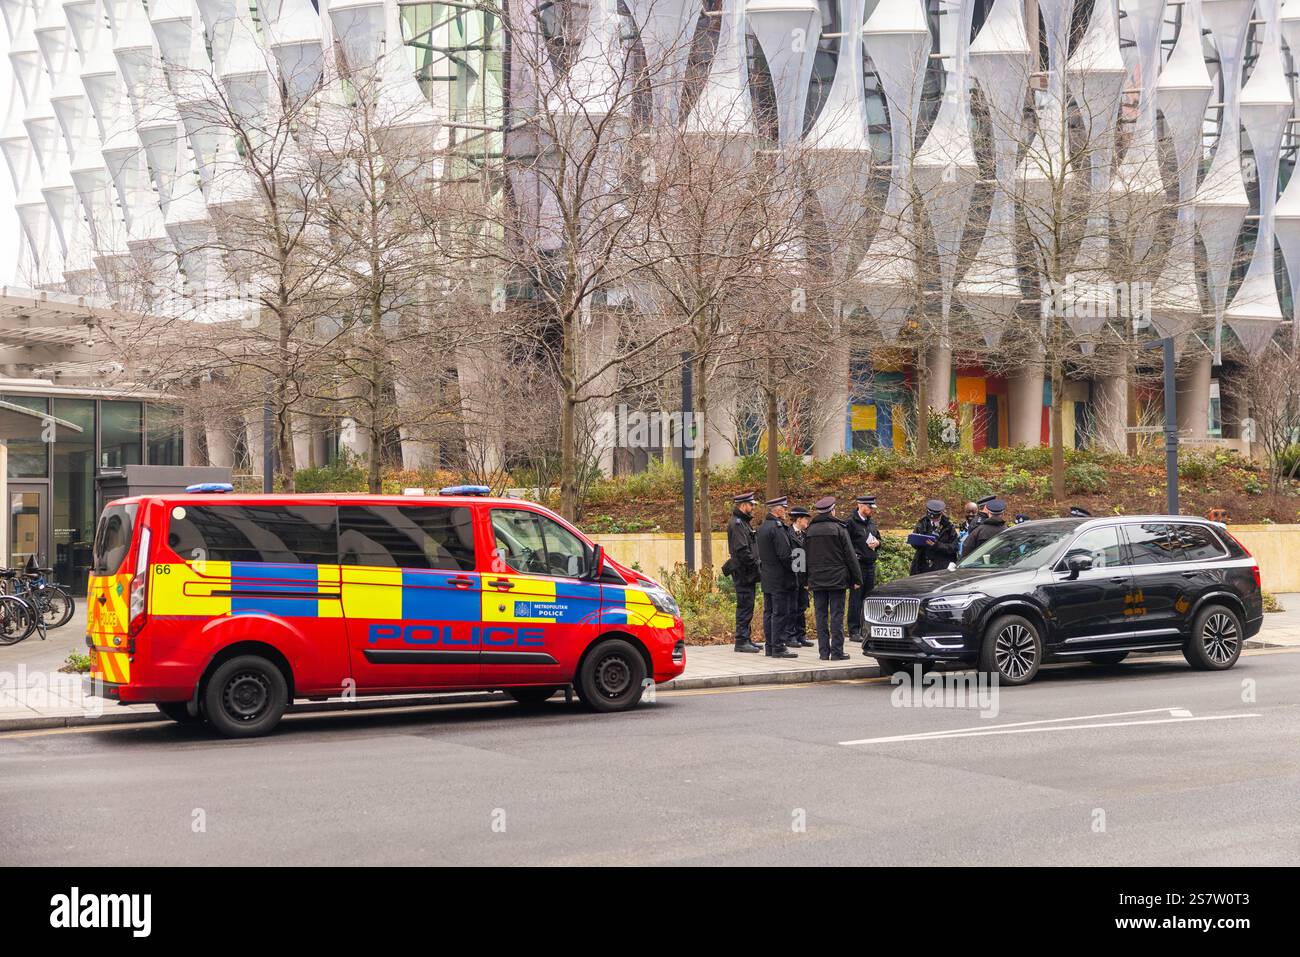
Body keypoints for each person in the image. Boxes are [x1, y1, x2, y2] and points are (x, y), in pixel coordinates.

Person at [804, 496, 862, 661]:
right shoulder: (839, 529)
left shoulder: (810, 530)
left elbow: (802, 557)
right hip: (837, 580)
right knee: (836, 615)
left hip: (816, 580)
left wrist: (804, 580)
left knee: (820, 615)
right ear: (832, 511)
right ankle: (837, 652)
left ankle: (823, 652)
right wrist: (857, 579)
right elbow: (850, 556)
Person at [756, 496, 798, 658]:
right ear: (778, 510)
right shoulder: (777, 528)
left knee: (769, 612)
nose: (786, 511)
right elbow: (784, 555)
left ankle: (770, 646)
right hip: (780, 577)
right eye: (784, 508)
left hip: (767, 576)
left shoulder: (762, 527)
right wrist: (793, 570)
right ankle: (779, 646)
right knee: (779, 613)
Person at [724, 492, 762, 653]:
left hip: (747, 571)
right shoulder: (738, 524)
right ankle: (741, 641)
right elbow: (742, 550)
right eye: (751, 505)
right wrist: (755, 565)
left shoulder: (743, 523)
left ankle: (746, 638)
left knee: (748, 604)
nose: (753, 507)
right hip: (744, 571)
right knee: (745, 605)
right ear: (743, 505)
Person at [844, 494, 881, 642]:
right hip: (857, 565)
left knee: (868, 597)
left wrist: (877, 543)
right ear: (861, 506)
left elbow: (878, 538)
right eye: (869, 507)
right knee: (856, 598)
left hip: (870, 564)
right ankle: (854, 630)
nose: (871, 510)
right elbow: (845, 545)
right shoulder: (850, 523)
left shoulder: (871, 523)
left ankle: (865, 627)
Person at [908, 499, 959, 574]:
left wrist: (937, 545)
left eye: (935, 518)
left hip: (941, 565)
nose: (933, 520)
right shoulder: (922, 523)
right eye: (931, 518)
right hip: (922, 564)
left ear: (941, 514)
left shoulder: (949, 527)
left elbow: (954, 547)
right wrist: (917, 541)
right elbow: (915, 544)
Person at [787, 507, 813, 648]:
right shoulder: (788, 534)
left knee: (802, 606)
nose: (807, 521)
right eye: (805, 519)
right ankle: (790, 636)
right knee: (792, 607)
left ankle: (800, 635)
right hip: (793, 576)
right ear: (798, 520)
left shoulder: (805, 535)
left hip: (803, 576)